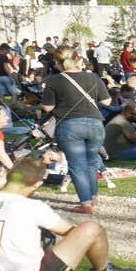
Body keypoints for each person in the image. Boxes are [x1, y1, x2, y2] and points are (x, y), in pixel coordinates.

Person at [0, 158, 134, 271]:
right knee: (91, 229)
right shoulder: (31, 207)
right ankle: (104, 270)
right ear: (37, 185)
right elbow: (70, 232)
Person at [35, 49, 113, 214]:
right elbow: (107, 101)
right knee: (92, 162)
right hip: (95, 123)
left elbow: (47, 107)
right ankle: (93, 198)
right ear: (78, 59)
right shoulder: (92, 76)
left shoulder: (55, 80)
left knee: (77, 165)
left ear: (56, 62)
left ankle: (85, 203)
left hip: (69, 126)